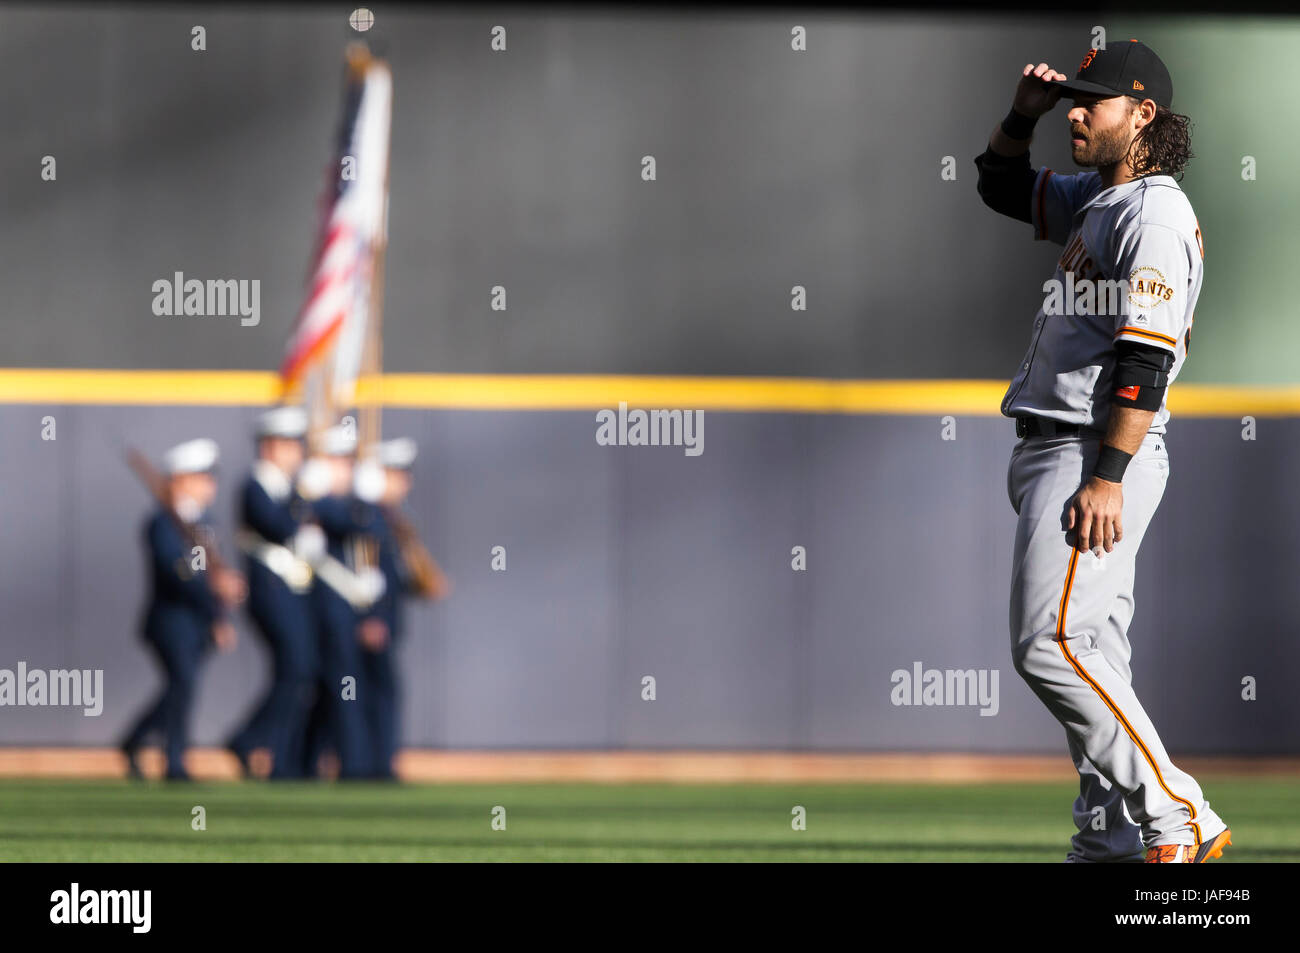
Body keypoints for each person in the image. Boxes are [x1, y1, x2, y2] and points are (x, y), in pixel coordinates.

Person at [974, 42, 1229, 863]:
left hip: (1093, 450)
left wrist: (1107, 478)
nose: (1075, 113)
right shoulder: (1100, 197)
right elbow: (1001, 185)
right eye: (1073, 99)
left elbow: (1144, 357)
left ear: (1143, 115)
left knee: (1050, 645)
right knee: (1092, 655)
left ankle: (1176, 811)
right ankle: (1112, 834)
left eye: (1095, 101)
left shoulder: (1152, 214)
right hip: (1063, 445)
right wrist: (1024, 112)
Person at [121, 438, 245, 780]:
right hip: (171, 621)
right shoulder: (162, 523)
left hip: (199, 621)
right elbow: (175, 571)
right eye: (202, 477)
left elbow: (212, 569)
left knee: (180, 688)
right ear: (181, 479)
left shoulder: (206, 525)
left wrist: (220, 616)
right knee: (183, 684)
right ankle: (174, 761)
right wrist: (212, 584)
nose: (210, 485)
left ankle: (135, 739)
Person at [226, 406, 324, 779]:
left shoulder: (285, 488)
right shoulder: (256, 486)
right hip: (271, 590)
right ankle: (252, 741)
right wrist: (304, 494)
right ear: (269, 447)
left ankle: (277, 755)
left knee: (300, 673)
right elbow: (280, 525)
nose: (296, 452)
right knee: (295, 668)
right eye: (288, 444)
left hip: (293, 589)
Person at [296, 425, 387, 779]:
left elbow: (374, 533)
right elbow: (347, 522)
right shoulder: (318, 504)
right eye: (336, 462)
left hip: (355, 608)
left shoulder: (359, 506)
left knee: (339, 689)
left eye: (348, 463)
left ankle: (310, 762)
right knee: (340, 685)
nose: (343, 471)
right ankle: (354, 763)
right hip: (329, 612)